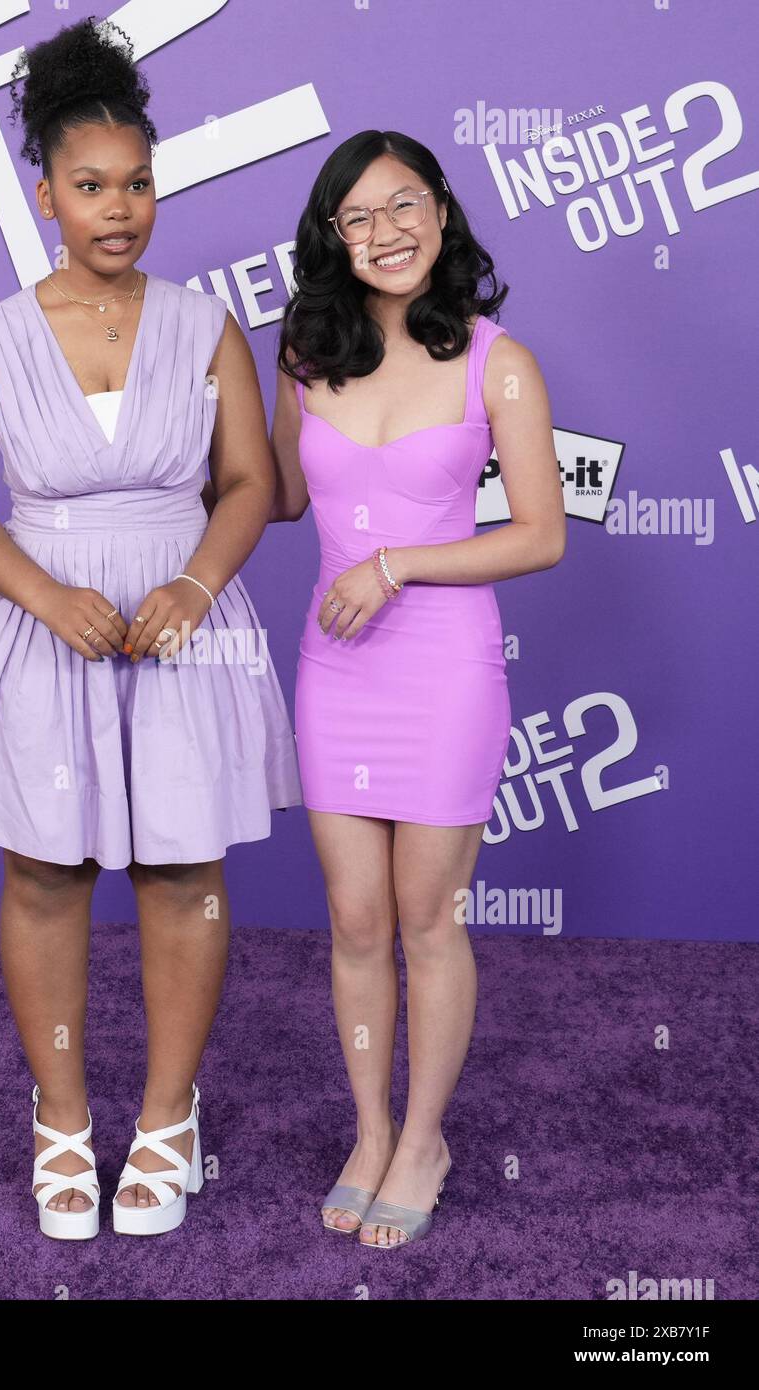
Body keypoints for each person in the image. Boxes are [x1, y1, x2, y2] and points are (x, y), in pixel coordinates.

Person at [0, 17, 300, 1239]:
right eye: (90, 186)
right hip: (48, 631)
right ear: (44, 194)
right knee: (43, 871)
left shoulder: (205, 327)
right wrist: (47, 596)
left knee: (182, 867)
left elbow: (249, 482)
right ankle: (61, 1121)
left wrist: (193, 586)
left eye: (138, 183)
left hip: (180, 628)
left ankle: (166, 1118)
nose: (119, 207)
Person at [270, 130, 566, 1248]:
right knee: (353, 921)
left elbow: (538, 537)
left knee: (424, 918)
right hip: (333, 666)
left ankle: (426, 1137)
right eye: (356, 216)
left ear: (439, 213)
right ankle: (369, 1126)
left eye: (402, 207)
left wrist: (394, 563)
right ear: (332, 238)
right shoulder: (302, 345)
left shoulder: (499, 360)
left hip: (441, 668)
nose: (383, 232)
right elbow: (281, 495)